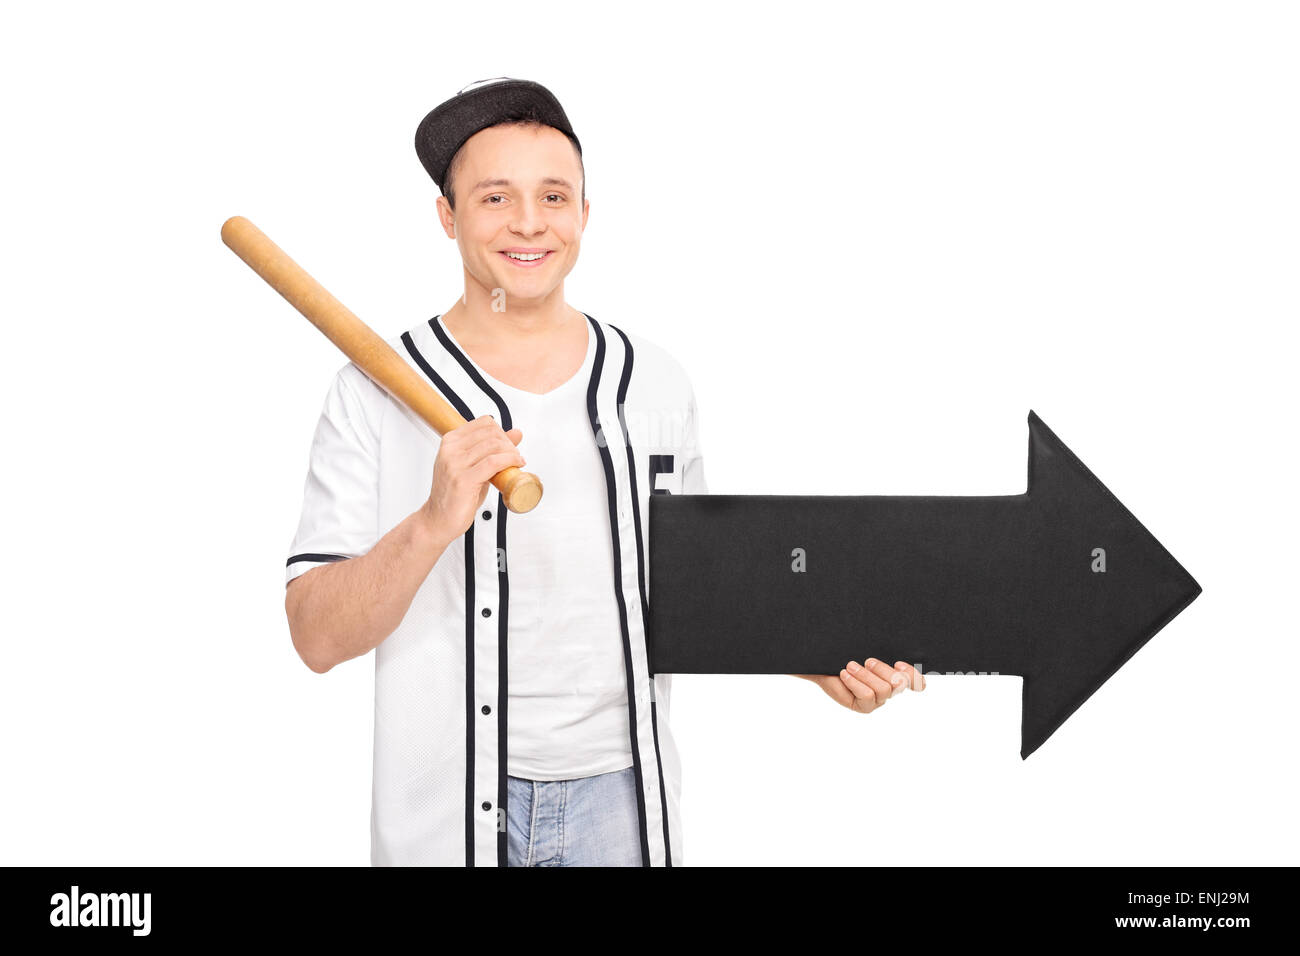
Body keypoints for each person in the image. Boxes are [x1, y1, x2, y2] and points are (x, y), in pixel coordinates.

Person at [283, 78, 925, 867]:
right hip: (445, 811)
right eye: (494, 198)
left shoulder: (655, 381)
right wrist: (431, 521)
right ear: (447, 216)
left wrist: (818, 655)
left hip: (621, 804)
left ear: (585, 213)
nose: (528, 223)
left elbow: (698, 591)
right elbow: (314, 635)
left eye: (554, 196)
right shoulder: (373, 393)